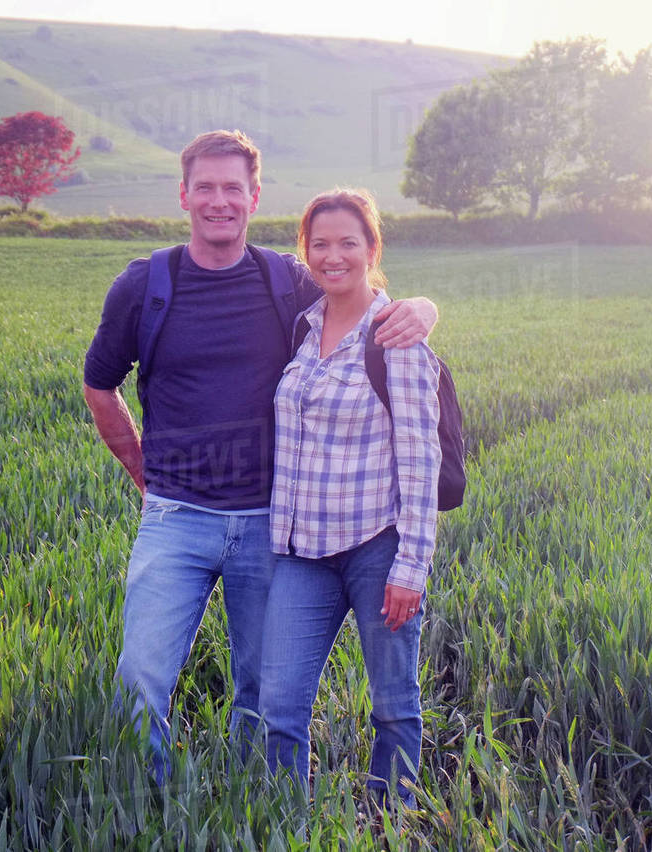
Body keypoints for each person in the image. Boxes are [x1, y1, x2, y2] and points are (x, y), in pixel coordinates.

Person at [82, 131, 437, 784]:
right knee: (139, 675)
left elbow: (358, 299)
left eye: (233, 188)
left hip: (271, 526)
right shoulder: (144, 285)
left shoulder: (286, 280)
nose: (220, 201)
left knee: (261, 686)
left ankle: (255, 806)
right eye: (207, 187)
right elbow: (98, 383)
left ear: (254, 197)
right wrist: (143, 471)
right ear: (185, 194)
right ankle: (150, 810)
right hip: (176, 519)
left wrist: (424, 306)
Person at [258, 188, 441, 810]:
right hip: (300, 553)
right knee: (276, 706)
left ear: (372, 249)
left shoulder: (396, 336)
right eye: (320, 244)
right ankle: (283, 826)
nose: (333, 256)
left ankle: (393, 823)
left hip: (376, 549)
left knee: (394, 705)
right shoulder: (303, 328)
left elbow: (421, 457)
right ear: (304, 251)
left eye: (347, 243)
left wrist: (411, 566)